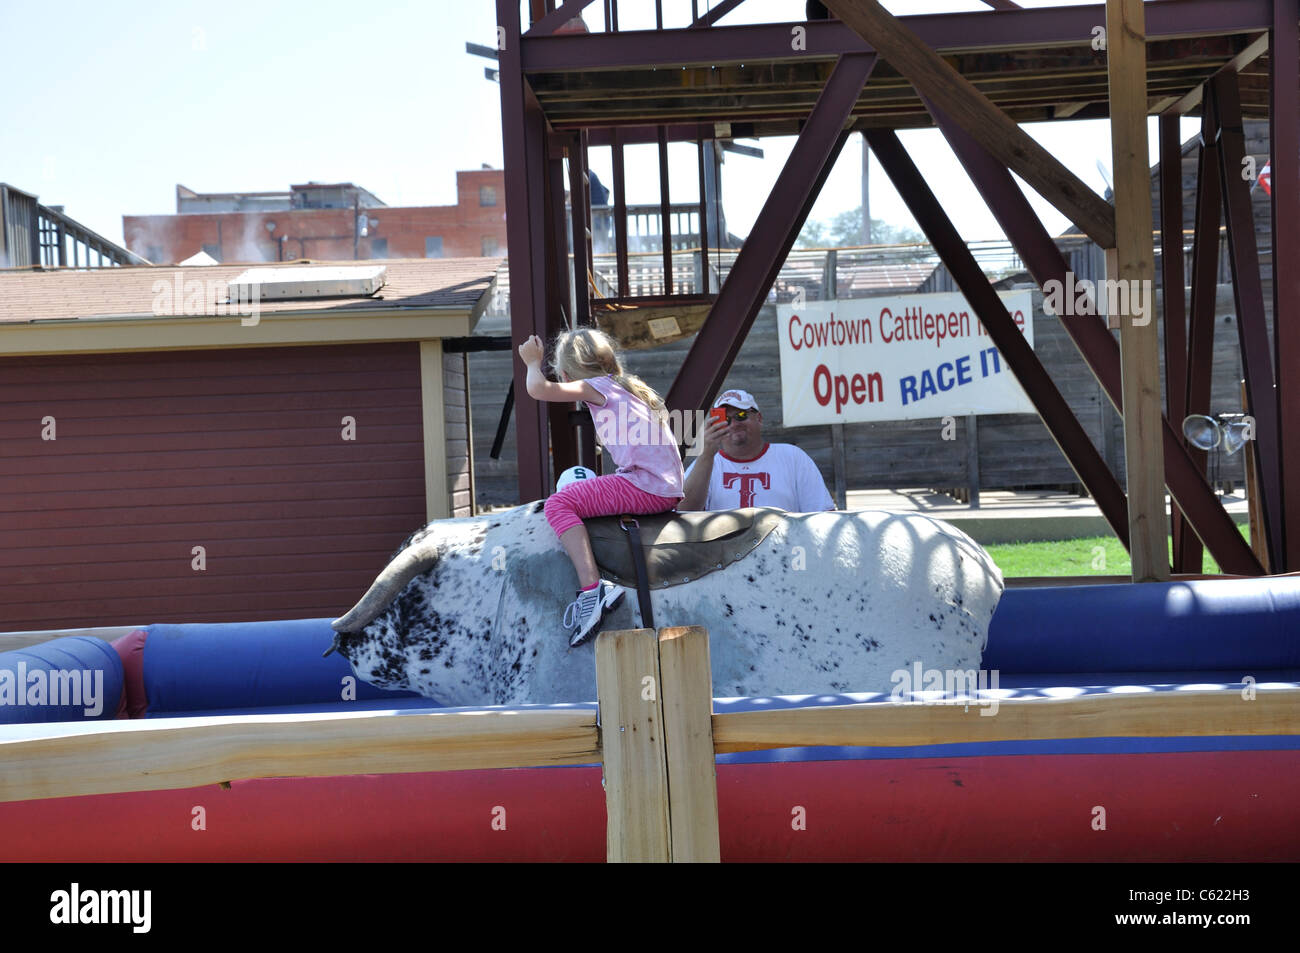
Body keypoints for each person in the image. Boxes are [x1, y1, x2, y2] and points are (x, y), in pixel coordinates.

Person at [517, 327, 684, 647]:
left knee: (558, 503)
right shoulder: (627, 387)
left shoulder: (596, 386)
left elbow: (537, 390)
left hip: (647, 485)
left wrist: (531, 363)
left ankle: (593, 590)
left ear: (566, 372)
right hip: (666, 485)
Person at [681, 389, 835, 512]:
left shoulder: (793, 457)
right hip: (723, 551)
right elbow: (683, 513)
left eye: (741, 415)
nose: (734, 424)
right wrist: (706, 453)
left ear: (759, 418)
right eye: (725, 420)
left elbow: (822, 515)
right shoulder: (706, 464)